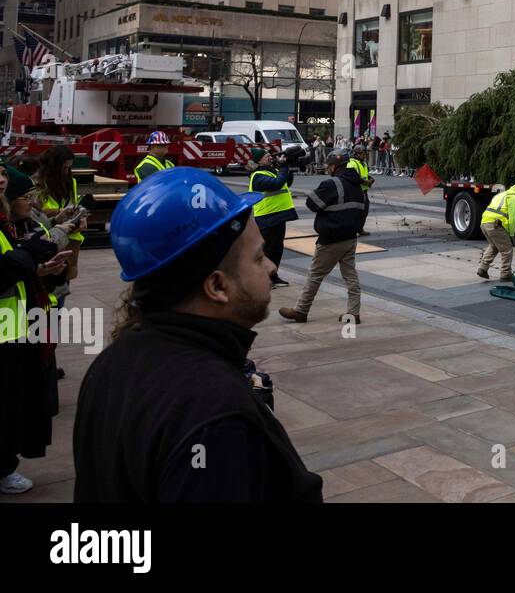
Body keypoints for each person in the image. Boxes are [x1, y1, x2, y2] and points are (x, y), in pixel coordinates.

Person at [73, 167, 322, 502]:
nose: (272, 268)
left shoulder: (115, 360)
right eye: (259, 257)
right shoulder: (216, 416)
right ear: (217, 285)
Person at [1, 166, 75, 495]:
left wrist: (40, 267)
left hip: (18, 326)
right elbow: (8, 267)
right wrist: (31, 255)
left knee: (18, 401)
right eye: (25, 197)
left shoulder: (11, 225)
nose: (31, 202)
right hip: (9, 329)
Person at [278, 150, 366, 325]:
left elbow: (312, 204)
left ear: (333, 166)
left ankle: (301, 310)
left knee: (315, 275)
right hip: (350, 238)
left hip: (331, 238)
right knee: (350, 276)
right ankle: (353, 312)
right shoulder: (357, 184)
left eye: (328, 165)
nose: (327, 168)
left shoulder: (331, 183)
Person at [33, 144, 83, 300]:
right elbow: (35, 215)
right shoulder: (37, 184)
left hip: (70, 241)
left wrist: (79, 215)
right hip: (46, 242)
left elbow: (72, 205)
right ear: (53, 166)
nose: (67, 172)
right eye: (64, 167)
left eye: (69, 167)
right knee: (47, 292)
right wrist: (57, 214)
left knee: (61, 293)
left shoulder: (70, 182)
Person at [248, 147, 297, 289]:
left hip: (278, 215)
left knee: (277, 249)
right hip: (267, 217)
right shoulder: (257, 175)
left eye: (270, 155)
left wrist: (287, 166)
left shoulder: (272, 171)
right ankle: (263, 280)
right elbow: (276, 184)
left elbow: (287, 182)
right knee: (267, 250)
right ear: (259, 160)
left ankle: (273, 276)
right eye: (267, 156)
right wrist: (282, 167)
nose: (270, 157)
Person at [476, 178, 515, 282]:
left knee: (494, 246)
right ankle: (506, 274)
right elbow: (513, 220)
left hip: (484, 223)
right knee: (507, 250)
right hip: (495, 224)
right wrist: (512, 235)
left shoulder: (503, 194)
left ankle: (483, 268)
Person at [348, 142, 373, 236]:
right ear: (357, 154)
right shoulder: (352, 163)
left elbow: (364, 175)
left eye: (364, 154)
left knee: (364, 210)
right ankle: (352, 229)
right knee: (355, 211)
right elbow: (352, 177)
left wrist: (370, 178)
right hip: (355, 191)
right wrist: (364, 182)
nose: (364, 156)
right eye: (362, 154)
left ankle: (359, 228)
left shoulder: (364, 163)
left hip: (364, 191)